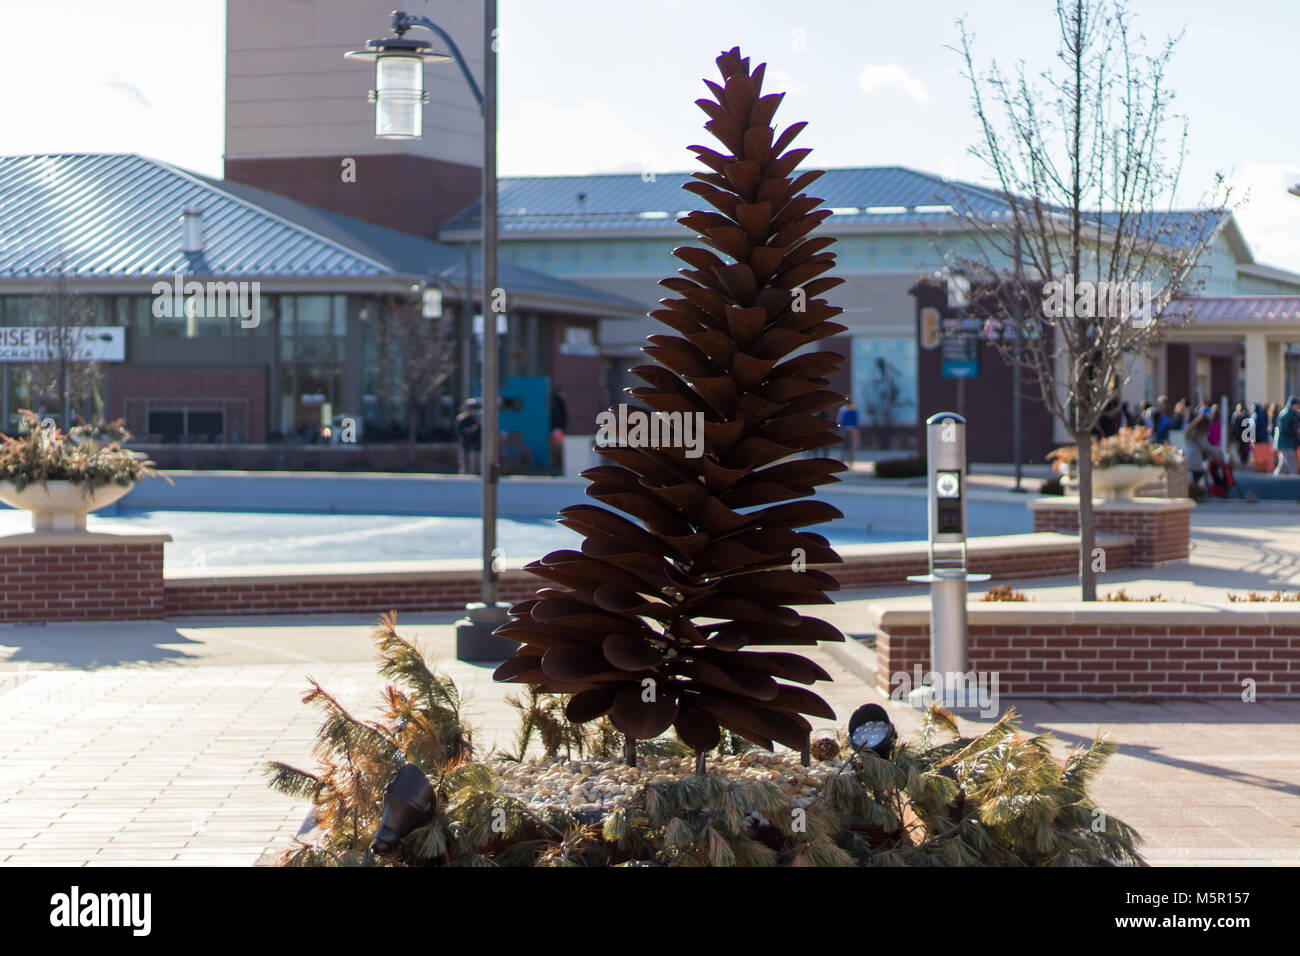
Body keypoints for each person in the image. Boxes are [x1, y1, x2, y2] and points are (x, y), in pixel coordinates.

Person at [1273, 396, 1300, 476]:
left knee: (1283, 464)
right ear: (1293, 405)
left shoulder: (1292, 413)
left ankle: (1274, 479)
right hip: (1286, 443)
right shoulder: (1285, 414)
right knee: (1292, 464)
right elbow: (1284, 429)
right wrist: (1296, 430)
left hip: (1288, 443)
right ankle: (1295, 483)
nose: (1298, 406)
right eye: (1297, 404)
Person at [455, 399, 483, 475]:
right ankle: (464, 476)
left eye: (475, 409)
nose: (473, 411)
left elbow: (480, 432)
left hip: (475, 444)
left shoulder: (477, 418)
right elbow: (460, 431)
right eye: (472, 409)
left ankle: (474, 474)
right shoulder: (463, 419)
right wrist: (471, 429)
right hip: (466, 443)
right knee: (465, 462)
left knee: (475, 462)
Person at [837, 400, 860, 466]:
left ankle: (844, 460)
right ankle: (849, 461)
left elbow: (840, 420)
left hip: (845, 428)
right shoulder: (853, 409)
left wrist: (840, 428)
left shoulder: (843, 410)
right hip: (852, 429)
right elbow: (856, 420)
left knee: (845, 445)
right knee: (851, 446)